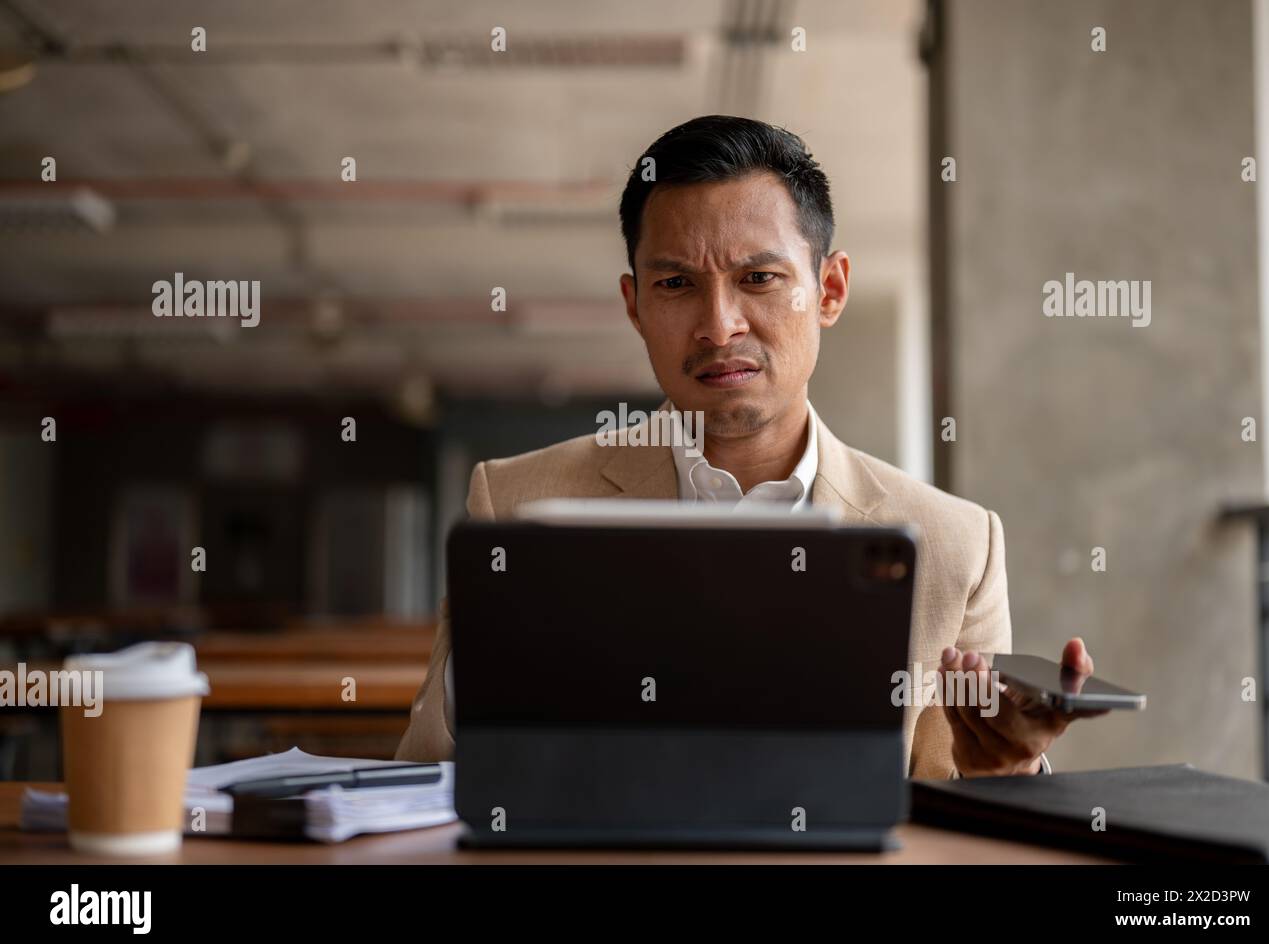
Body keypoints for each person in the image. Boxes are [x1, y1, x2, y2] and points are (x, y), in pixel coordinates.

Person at [396, 115, 1103, 778]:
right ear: (635, 305)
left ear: (828, 290)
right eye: (675, 284)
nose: (717, 324)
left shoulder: (955, 545)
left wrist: (1006, 773)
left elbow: (966, 812)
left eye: (758, 279)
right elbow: (423, 777)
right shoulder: (519, 504)